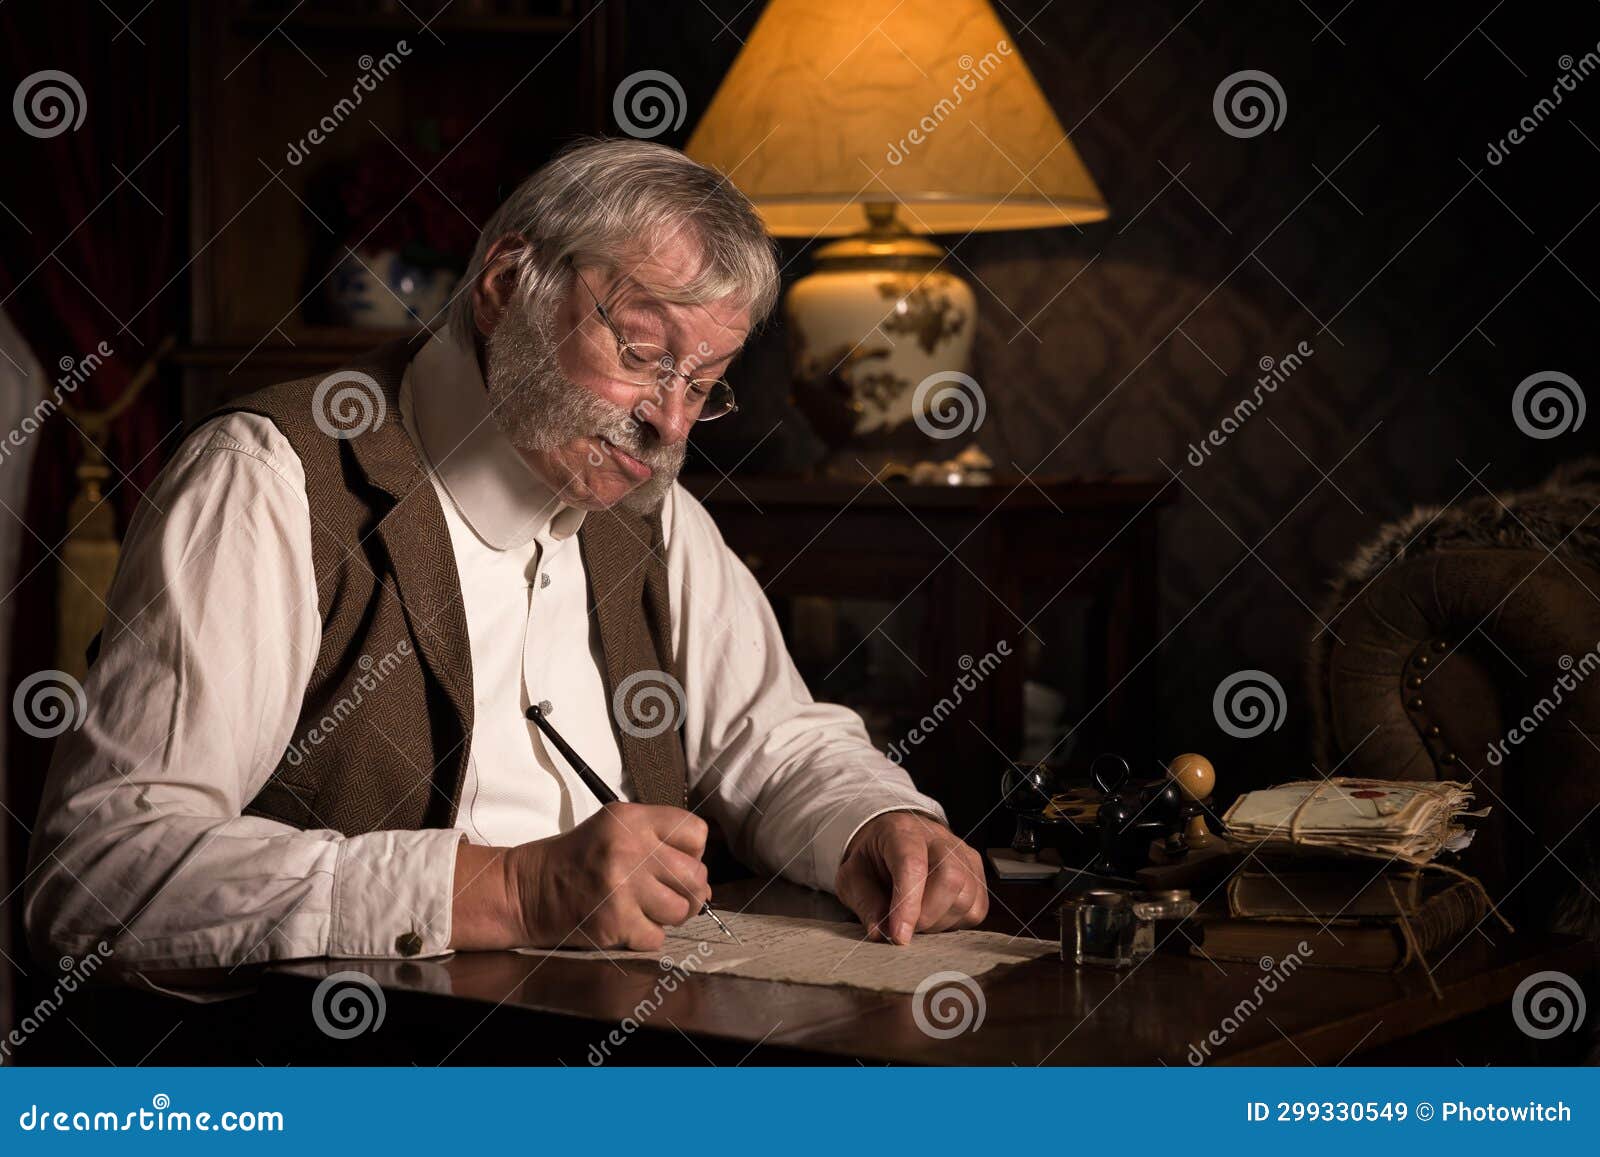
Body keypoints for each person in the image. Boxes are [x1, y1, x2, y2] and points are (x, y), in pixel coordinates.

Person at [24, 139, 988, 974]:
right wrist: (512, 890)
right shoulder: (270, 480)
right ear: (501, 288)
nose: (668, 422)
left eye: (704, 384)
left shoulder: (657, 514)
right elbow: (101, 873)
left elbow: (779, 747)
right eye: (644, 353)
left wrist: (874, 823)